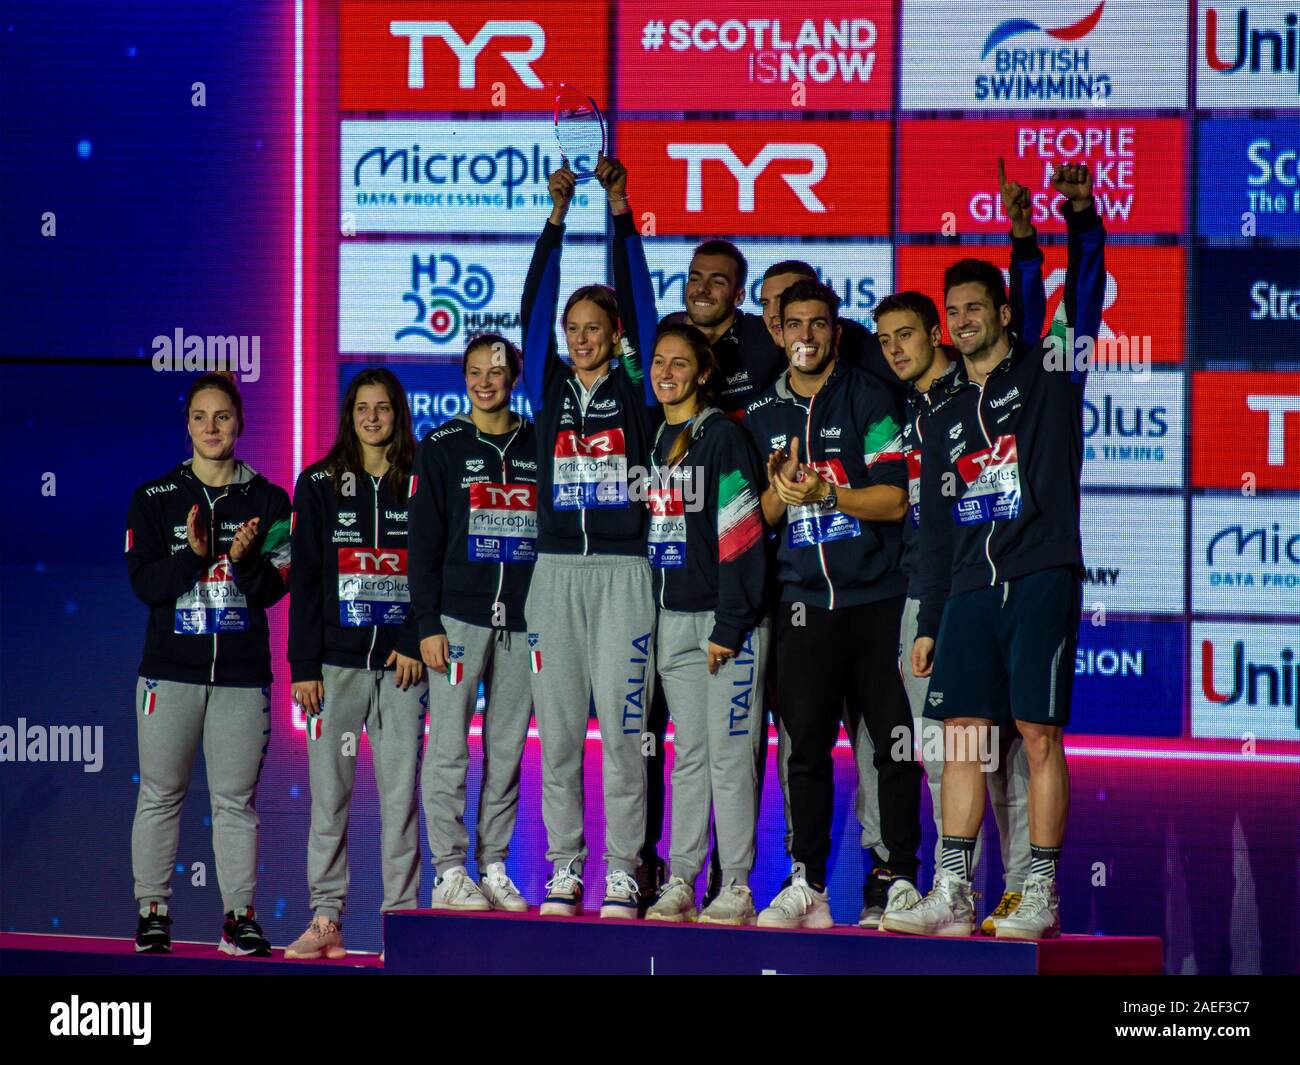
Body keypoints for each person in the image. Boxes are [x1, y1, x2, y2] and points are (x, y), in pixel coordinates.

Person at [900, 162, 1105, 939]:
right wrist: (927, 618)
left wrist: (1068, 222)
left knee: (1038, 734)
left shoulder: (1050, 373)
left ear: (1002, 314)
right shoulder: (945, 412)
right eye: (952, 312)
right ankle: (952, 888)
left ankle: (1040, 891)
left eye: (974, 308)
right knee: (962, 738)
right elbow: (940, 524)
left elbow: (1078, 299)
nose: (961, 321)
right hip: (967, 594)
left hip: (1041, 573)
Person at [868, 162, 1041, 932]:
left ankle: (1024, 892)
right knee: (953, 753)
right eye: (885, 339)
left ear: (941, 331)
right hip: (935, 595)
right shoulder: (912, 411)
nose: (895, 348)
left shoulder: (998, 384)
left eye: (908, 333)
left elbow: (1034, 324)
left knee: (1014, 749)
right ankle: (958, 893)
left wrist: (1025, 238)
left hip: (1011, 583)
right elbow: (927, 523)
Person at [744, 279, 922, 929]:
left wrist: (824, 493)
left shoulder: (871, 399)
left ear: (835, 332)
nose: (808, 337)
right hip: (802, 607)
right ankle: (808, 883)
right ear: (780, 331)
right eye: (796, 325)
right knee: (807, 750)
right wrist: (779, 498)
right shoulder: (762, 413)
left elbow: (895, 500)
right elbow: (755, 518)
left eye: (819, 324)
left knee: (893, 745)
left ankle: (900, 876)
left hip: (875, 599)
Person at [520, 156, 660, 918]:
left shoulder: (636, 390)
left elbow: (639, 305)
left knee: (628, 731)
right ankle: (565, 866)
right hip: (553, 573)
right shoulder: (546, 386)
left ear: (613, 336)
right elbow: (531, 312)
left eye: (593, 329)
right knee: (562, 733)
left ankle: (622, 870)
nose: (580, 339)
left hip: (623, 572)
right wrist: (555, 221)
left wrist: (618, 210)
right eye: (573, 331)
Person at [125, 371, 291, 956]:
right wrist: (195, 558)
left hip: (242, 678)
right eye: (201, 416)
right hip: (169, 672)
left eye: (223, 416)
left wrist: (245, 564)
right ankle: (153, 914)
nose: (212, 427)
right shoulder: (154, 498)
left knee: (234, 802)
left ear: (239, 423)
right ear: (188, 424)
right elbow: (144, 583)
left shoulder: (270, 501)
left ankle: (238, 919)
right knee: (161, 795)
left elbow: (274, 589)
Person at [284, 369, 426, 960]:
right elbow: (307, 578)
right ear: (350, 416)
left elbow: (432, 565)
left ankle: (402, 925)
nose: (373, 419)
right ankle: (326, 920)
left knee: (400, 798)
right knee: (331, 797)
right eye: (363, 409)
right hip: (336, 670)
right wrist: (303, 663)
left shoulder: (420, 480)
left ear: (398, 414)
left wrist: (417, 639)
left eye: (383, 408)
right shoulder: (317, 482)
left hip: (402, 670)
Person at [638, 323, 769, 925]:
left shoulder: (723, 436)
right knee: (688, 753)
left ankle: (737, 884)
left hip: (724, 623)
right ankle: (683, 878)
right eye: (659, 362)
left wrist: (732, 622)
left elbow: (743, 531)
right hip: (671, 620)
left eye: (680, 364)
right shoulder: (654, 435)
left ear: (704, 372)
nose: (666, 373)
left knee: (730, 755)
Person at [408, 334, 537, 913]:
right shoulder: (441, 445)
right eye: (475, 371)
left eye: (497, 370)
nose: (486, 381)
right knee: (450, 749)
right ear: (463, 377)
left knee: (507, 748)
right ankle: (449, 869)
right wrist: (427, 623)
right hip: (458, 620)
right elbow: (422, 543)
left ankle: (493, 864)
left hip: (526, 620)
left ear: (514, 376)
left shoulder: (538, 440)